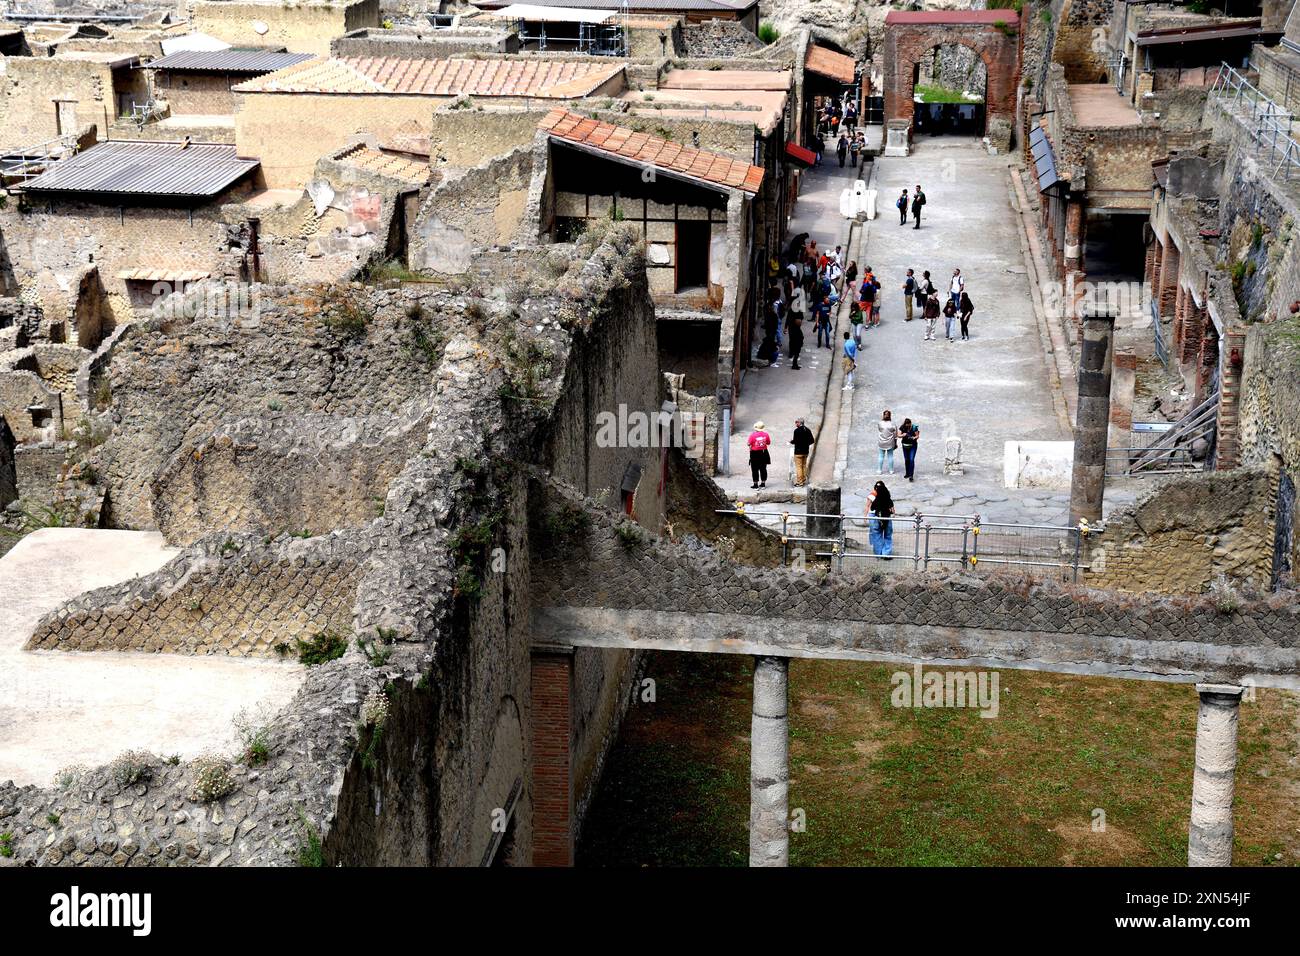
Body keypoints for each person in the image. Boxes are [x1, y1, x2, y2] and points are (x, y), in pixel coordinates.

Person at [866, 480, 896, 558]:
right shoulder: (887, 496)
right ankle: (886, 553)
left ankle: (878, 553)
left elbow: (869, 507)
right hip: (886, 517)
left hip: (875, 517)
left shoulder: (873, 495)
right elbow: (892, 509)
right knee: (888, 535)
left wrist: (865, 516)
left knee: (876, 535)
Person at [790, 418, 815, 487]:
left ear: (800, 423)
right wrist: (806, 444)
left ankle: (800, 482)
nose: (795, 423)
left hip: (798, 452)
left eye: (796, 422)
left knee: (798, 467)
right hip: (805, 451)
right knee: (804, 465)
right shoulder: (807, 430)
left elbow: (795, 441)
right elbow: (812, 440)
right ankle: (803, 479)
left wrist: (791, 441)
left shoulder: (796, 431)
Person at [747, 420, 772, 489]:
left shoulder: (752, 435)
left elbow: (748, 443)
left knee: (754, 469)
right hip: (764, 452)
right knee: (763, 468)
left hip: (755, 453)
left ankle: (755, 484)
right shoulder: (766, 434)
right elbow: (768, 443)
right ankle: (763, 484)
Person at [876, 409, 898, 475]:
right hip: (890, 442)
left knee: (881, 456)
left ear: (883, 415)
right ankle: (891, 470)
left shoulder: (880, 423)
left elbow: (879, 429)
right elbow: (895, 435)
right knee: (890, 456)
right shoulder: (893, 424)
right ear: (890, 416)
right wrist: (895, 444)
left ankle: (879, 470)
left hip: (881, 442)